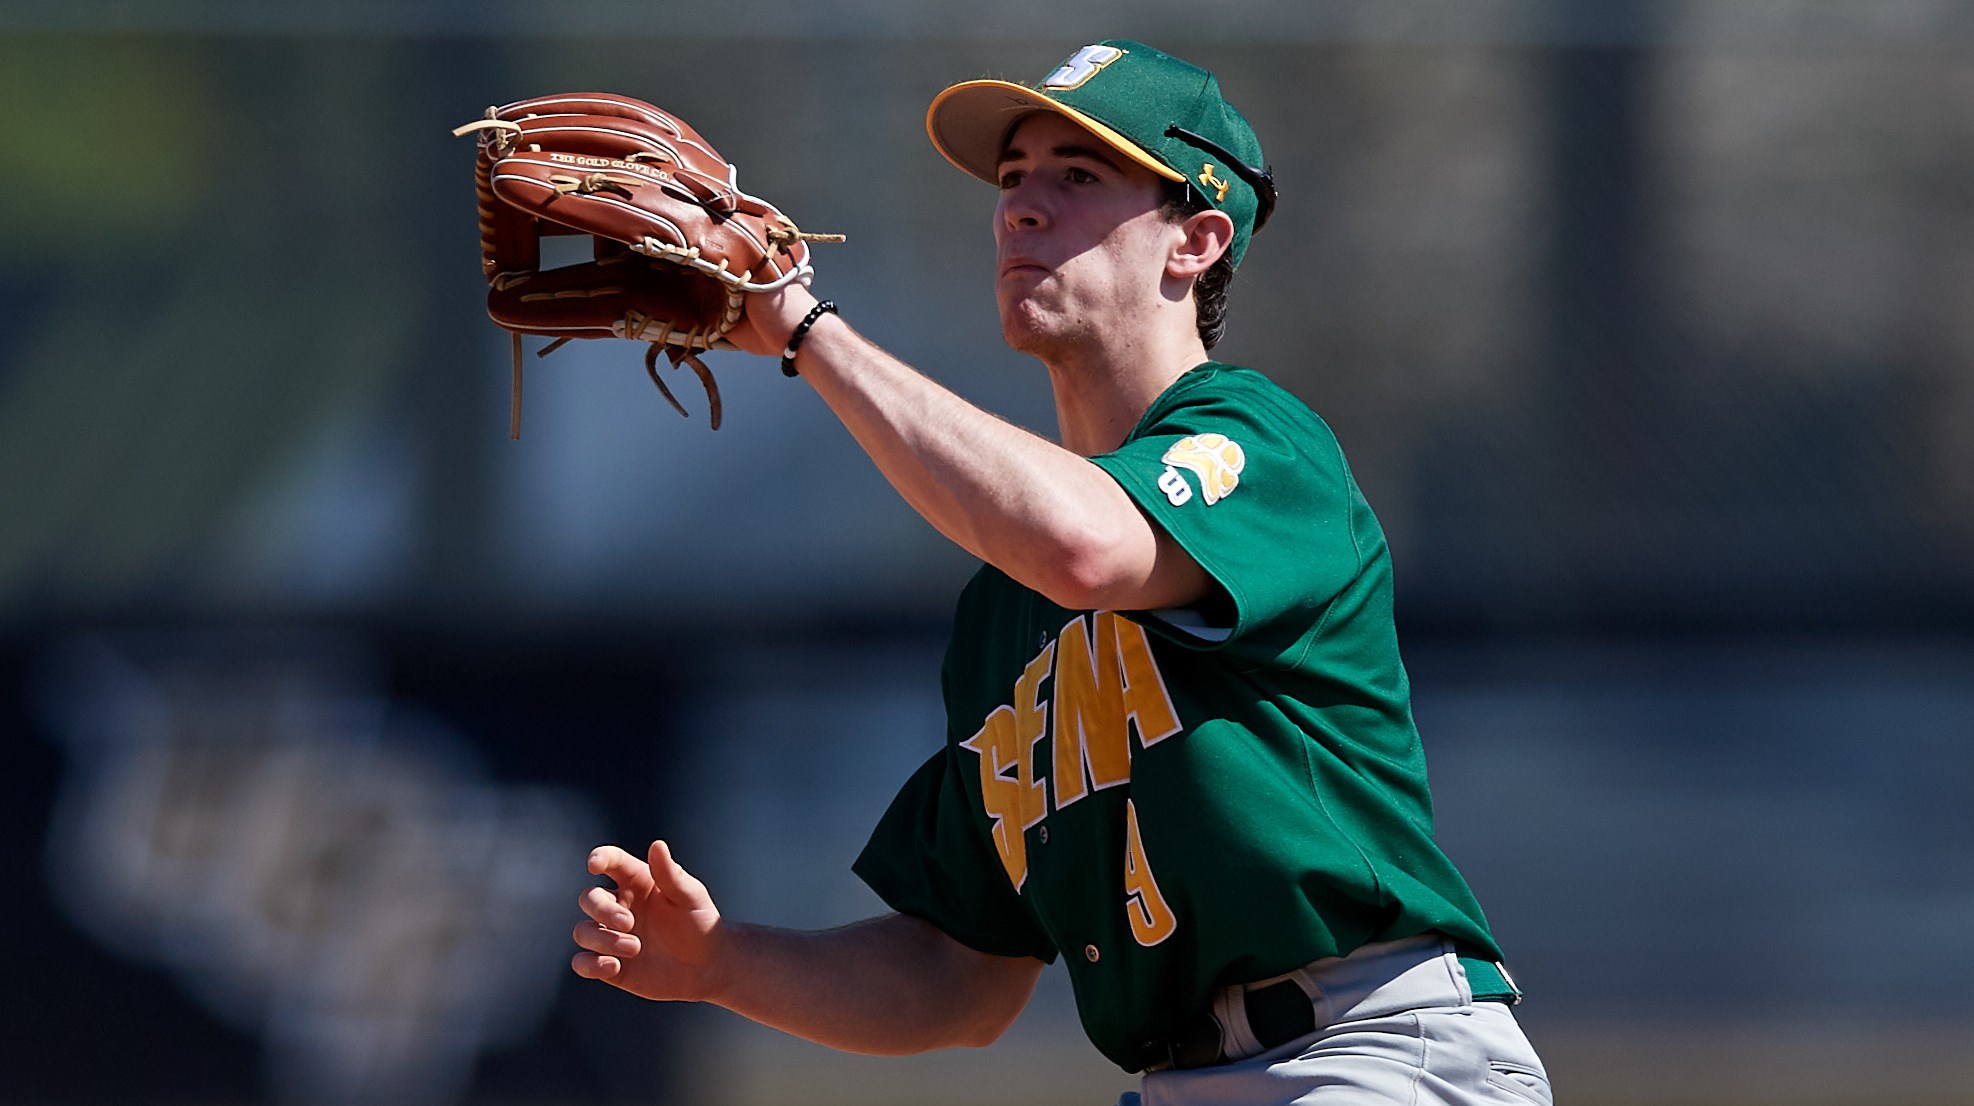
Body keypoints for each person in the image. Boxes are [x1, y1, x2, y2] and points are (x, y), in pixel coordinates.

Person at [570, 39, 1553, 1105]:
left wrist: (805, 327)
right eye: (1012, 178)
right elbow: (960, 975)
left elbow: (1087, 546)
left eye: (1078, 176)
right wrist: (724, 962)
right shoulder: (1003, 615)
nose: (1022, 208)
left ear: (1197, 240)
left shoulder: (1264, 447)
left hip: (1369, 1049)